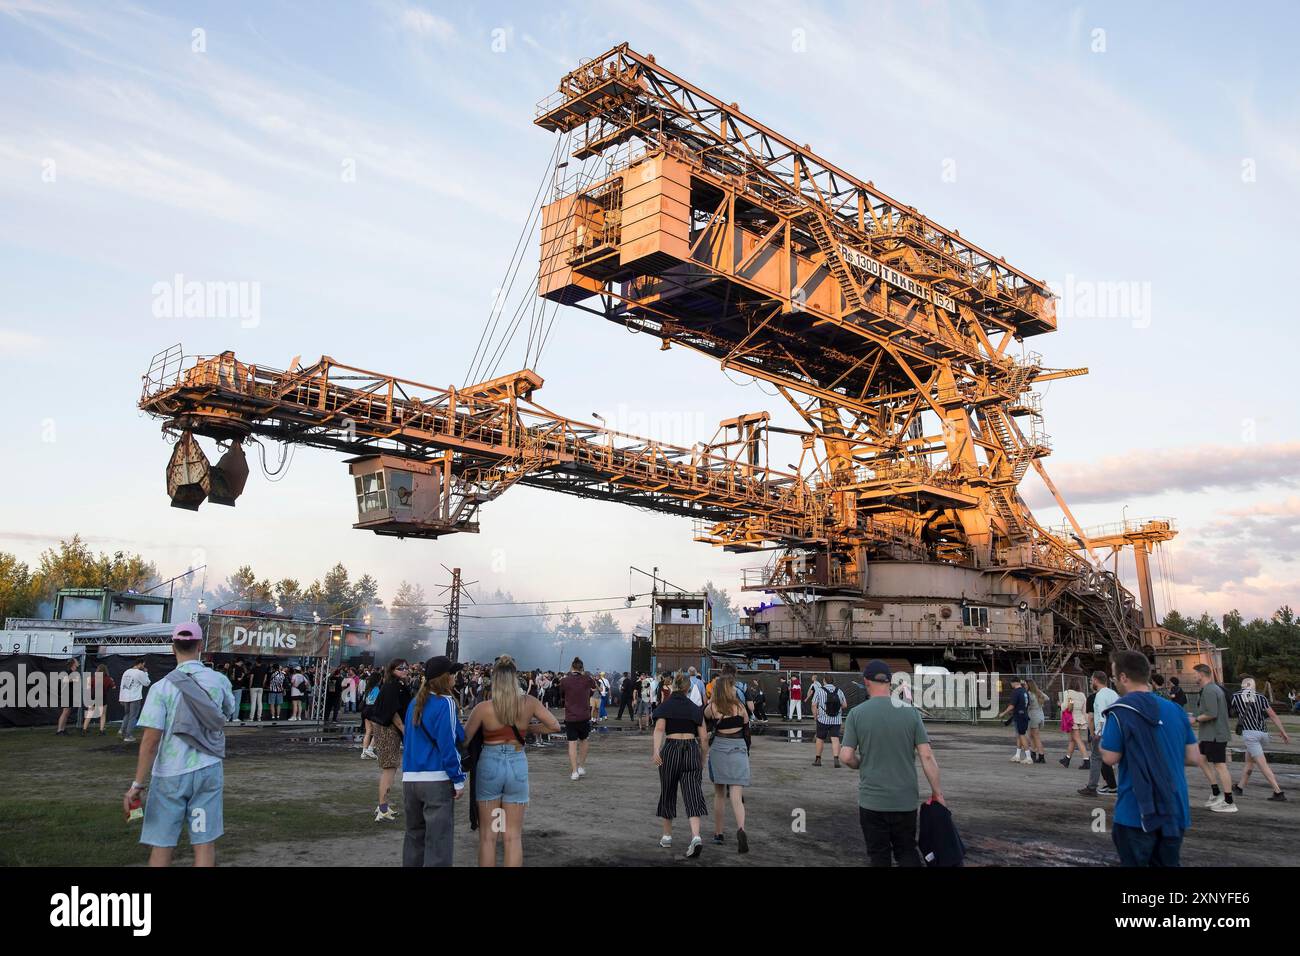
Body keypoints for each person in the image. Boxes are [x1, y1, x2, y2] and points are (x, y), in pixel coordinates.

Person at [123, 622, 235, 866]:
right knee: (204, 844)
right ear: (200, 646)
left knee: (162, 845)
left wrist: (137, 785)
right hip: (208, 768)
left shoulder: (161, 687)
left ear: (173, 648)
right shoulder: (219, 681)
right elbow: (227, 713)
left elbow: (151, 741)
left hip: (169, 774)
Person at [839, 660, 944, 867]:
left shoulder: (856, 714)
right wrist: (937, 793)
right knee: (907, 851)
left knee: (879, 855)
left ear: (866, 681)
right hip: (904, 800)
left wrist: (860, 763)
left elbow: (845, 756)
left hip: (872, 801)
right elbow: (927, 756)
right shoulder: (911, 713)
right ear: (890, 682)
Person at [1099, 650, 1199, 867]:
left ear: (1124, 677)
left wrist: (1100, 741)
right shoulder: (1176, 710)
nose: (1115, 680)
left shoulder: (1120, 711)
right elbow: (1193, 757)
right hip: (1175, 807)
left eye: (1115, 676)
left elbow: (1109, 757)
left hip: (1136, 812)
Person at [463, 656, 562, 867]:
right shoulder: (529, 703)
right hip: (517, 763)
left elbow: (463, 741)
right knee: (513, 837)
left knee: (488, 837)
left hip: (490, 763)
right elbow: (555, 726)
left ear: (495, 680)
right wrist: (529, 729)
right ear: (515, 679)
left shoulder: (483, 708)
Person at [401, 655, 466, 867]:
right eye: (453, 674)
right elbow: (449, 743)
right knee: (438, 842)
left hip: (410, 779)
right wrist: (458, 779)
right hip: (436, 780)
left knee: (414, 838)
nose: (455, 677)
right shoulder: (445, 702)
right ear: (444, 678)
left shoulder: (414, 704)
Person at [653, 672, 709, 859]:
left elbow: (660, 729)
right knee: (693, 793)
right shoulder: (695, 708)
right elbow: (704, 738)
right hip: (692, 749)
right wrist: (702, 758)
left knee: (668, 790)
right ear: (688, 688)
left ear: (674, 687)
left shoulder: (666, 705)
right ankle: (695, 837)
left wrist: (656, 751)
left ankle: (667, 836)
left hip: (670, 749)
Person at [703, 672, 750, 853]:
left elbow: (704, 721)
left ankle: (719, 833)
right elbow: (746, 729)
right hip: (739, 749)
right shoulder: (740, 706)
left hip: (719, 749)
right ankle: (741, 829)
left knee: (719, 794)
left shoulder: (713, 707)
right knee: (737, 797)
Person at [1231, 677, 1290, 801]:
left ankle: (1278, 792)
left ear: (1242, 685)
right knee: (1249, 762)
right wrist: (1283, 731)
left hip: (1250, 734)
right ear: (1253, 686)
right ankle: (1239, 787)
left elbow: (1230, 711)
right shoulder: (1261, 697)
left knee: (1262, 765)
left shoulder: (1235, 696)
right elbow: (1273, 715)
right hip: (1263, 734)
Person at [371, 659, 412, 822]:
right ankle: (382, 808)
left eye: (406, 667)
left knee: (391, 768)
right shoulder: (392, 686)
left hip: (391, 729)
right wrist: (403, 729)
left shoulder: (398, 685)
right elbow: (392, 711)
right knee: (389, 768)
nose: (404, 670)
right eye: (400, 668)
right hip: (388, 729)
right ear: (392, 669)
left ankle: (383, 805)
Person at [1191, 663, 1235, 813]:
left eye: (1195, 674)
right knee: (1201, 759)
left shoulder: (1210, 690)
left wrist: (1195, 720)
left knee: (1220, 765)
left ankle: (1229, 801)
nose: (1194, 676)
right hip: (1209, 734)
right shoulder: (1209, 689)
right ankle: (1216, 793)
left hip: (1215, 734)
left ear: (1202, 674)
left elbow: (1212, 713)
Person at [1080, 671, 1119, 796]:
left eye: (1092, 680)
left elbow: (1101, 715)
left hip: (1102, 732)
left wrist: (1097, 733)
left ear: (1096, 680)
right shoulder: (1113, 693)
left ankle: (1092, 786)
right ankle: (1113, 785)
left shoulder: (1100, 696)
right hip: (1113, 730)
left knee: (1096, 758)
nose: (1091, 682)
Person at [559, 657, 597, 781]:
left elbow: (562, 694)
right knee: (584, 740)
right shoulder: (587, 679)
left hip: (570, 716)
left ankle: (574, 771)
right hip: (584, 716)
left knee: (572, 744)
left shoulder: (564, 681)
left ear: (572, 667)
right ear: (582, 668)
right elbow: (594, 688)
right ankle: (581, 766)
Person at [811, 675, 847, 767]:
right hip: (836, 720)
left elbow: (814, 705)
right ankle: (836, 760)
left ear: (824, 681)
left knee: (820, 739)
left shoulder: (819, 691)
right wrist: (837, 708)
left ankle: (818, 759)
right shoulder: (839, 691)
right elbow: (845, 705)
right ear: (833, 681)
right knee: (835, 739)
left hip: (822, 719)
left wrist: (815, 716)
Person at [997, 678, 1032, 764]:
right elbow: (1028, 704)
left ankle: (1028, 757)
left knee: (1022, 735)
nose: (1011, 685)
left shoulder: (1016, 692)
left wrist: (1003, 713)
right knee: (1019, 736)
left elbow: (1012, 705)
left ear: (1014, 683)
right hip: (1024, 715)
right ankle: (1017, 755)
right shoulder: (1025, 691)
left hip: (1019, 716)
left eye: (1011, 683)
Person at [118, 659, 151, 743]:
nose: (143, 666)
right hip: (134, 697)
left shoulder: (126, 672)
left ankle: (122, 731)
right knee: (133, 717)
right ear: (139, 664)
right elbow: (147, 683)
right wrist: (146, 673)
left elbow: (122, 685)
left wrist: (121, 698)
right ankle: (128, 735)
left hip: (125, 697)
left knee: (127, 715)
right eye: (143, 665)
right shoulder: (140, 673)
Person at [81, 664, 116, 736]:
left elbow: (88, 686)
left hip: (93, 697)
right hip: (103, 698)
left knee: (89, 714)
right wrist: (112, 681)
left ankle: (84, 730)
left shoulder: (94, 678)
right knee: (103, 715)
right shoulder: (108, 679)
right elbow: (114, 687)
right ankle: (101, 731)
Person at [1059, 686, 1088, 767]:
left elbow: (1065, 706)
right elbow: (1084, 709)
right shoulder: (1082, 695)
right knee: (1072, 740)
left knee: (1077, 739)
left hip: (1071, 718)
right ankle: (1067, 759)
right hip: (1080, 718)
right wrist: (1086, 720)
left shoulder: (1068, 693)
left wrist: (1060, 705)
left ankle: (1086, 760)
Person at [56, 658, 81, 735]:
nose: (78, 663)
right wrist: (74, 680)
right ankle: (59, 730)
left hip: (70, 694)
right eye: (77, 661)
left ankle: (63, 729)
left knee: (67, 712)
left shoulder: (74, 672)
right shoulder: (67, 671)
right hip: (65, 695)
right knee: (65, 712)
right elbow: (64, 680)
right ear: (73, 664)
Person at [1025, 679, 1047, 763]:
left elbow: (1027, 704)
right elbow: (1047, 698)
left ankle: (1041, 756)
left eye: (1026, 685)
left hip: (1033, 716)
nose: (1025, 686)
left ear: (1029, 686)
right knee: (1032, 735)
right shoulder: (1038, 692)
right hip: (1040, 715)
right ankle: (1033, 753)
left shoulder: (1029, 694)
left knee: (1036, 737)